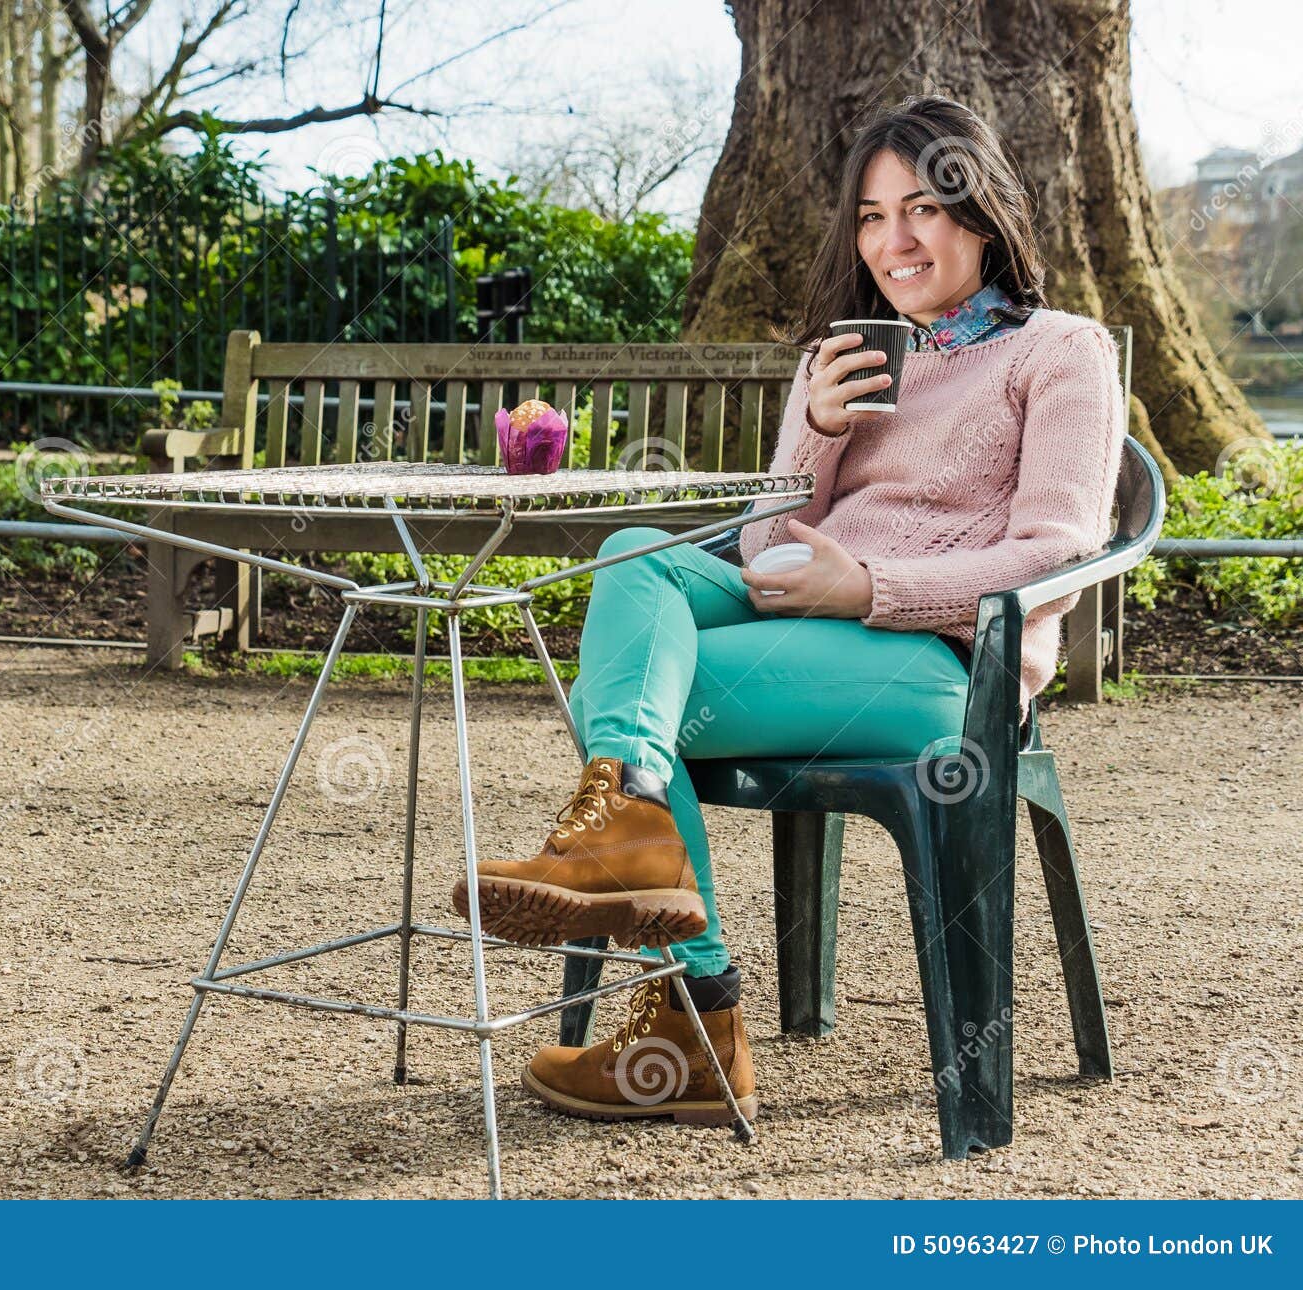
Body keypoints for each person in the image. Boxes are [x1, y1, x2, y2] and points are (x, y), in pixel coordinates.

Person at [450, 94, 1129, 1127]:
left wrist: (871, 589)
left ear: (983, 214)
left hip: (940, 663)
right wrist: (815, 428)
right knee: (633, 555)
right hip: (799, 609)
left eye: (922, 210)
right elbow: (767, 545)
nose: (892, 241)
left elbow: (1060, 549)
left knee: (612, 691)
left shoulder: (1060, 351)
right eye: (868, 215)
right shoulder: (838, 356)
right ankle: (642, 843)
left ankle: (691, 1010)